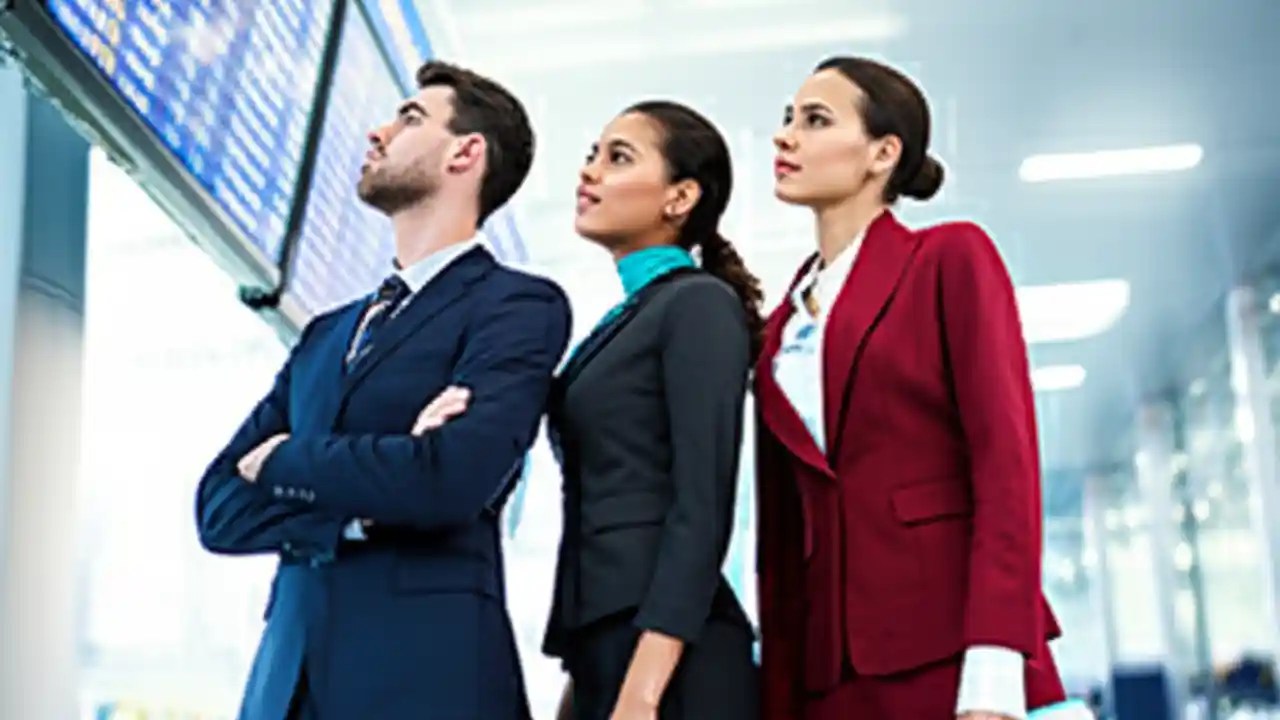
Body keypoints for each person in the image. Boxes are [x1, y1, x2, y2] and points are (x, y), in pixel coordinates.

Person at [194, 60, 570, 720]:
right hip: (286, 686)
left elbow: (451, 479)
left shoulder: (515, 306)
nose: (379, 132)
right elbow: (220, 507)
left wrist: (283, 459)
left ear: (467, 152)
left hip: (426, 684)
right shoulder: (326, 335)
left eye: (411, 118)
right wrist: (373, 495)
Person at [755, 56, 1083, 720]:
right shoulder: (778, 329)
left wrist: (993, 668)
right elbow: (782, 535)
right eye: (788, 119)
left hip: (951, 650)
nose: (785, 137)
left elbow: (1006, 467)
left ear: (883, 152)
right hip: (830, 676)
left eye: (815, 120)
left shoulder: (948, 259)